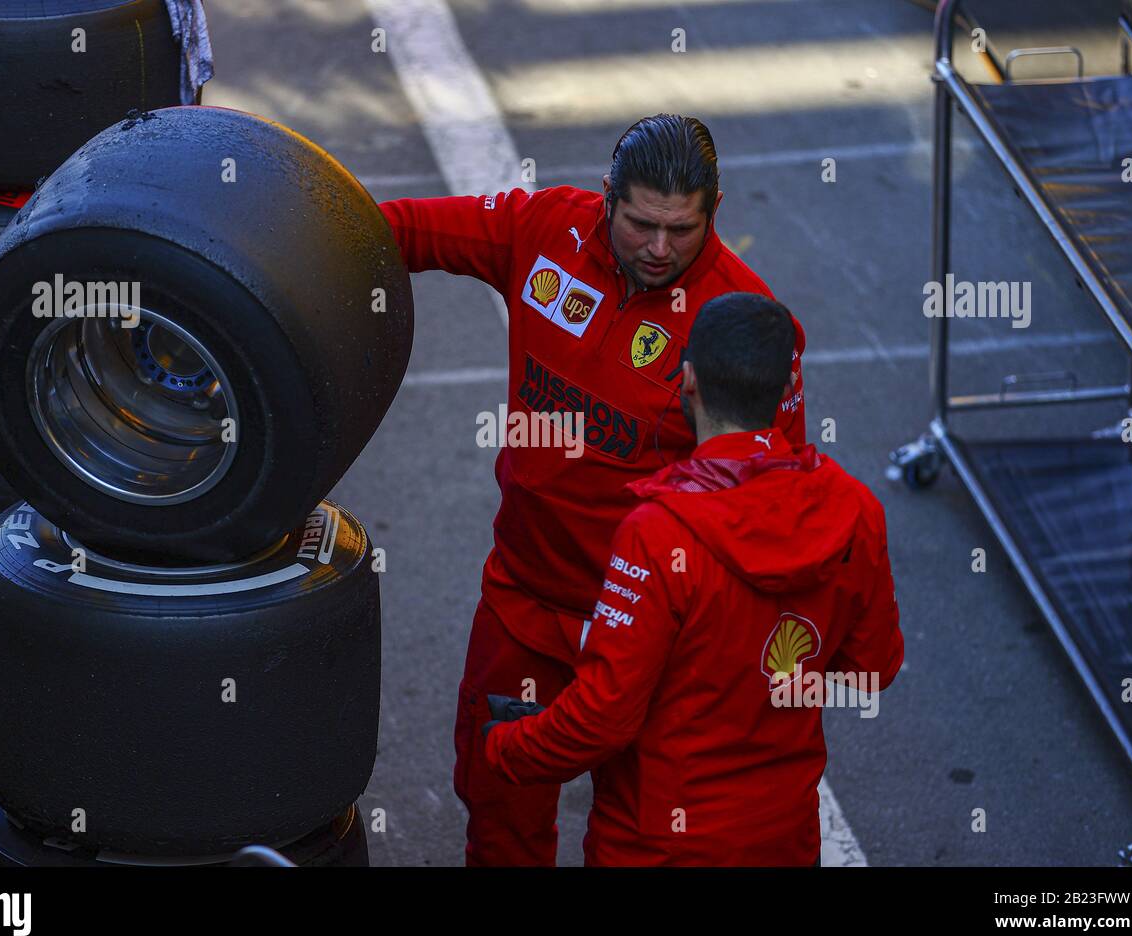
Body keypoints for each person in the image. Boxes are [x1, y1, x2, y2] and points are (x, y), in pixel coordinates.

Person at [378, 115, 806, 866]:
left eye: (684, 228)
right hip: (526, 600)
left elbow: (776, 504)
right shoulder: (543, 229)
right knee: (497, 806)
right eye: (642, 222)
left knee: (645, 842)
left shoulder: (745, 327)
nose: (660, 248)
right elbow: (394, 231)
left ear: (716, 210)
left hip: (655, 634)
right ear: (607, 197)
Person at [482, 293, 903, 866]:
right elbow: (872, 670)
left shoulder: (658, 533)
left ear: (687, 382)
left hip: (656, 845)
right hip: (784, 834)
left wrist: (508, 748)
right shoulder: (857, 509)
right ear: (785, 392)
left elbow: (602, 720)